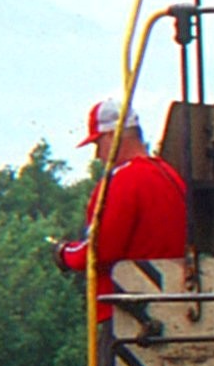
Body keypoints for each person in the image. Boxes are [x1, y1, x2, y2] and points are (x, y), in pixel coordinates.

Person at [57, 98, 189, 317]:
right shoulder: (170, 174)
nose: (97, 155)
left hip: (128, 314)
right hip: (170, 303)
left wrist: (64, 253)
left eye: (98, 144)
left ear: (112, 135)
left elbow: (100, 249)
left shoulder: (123, 181)